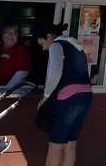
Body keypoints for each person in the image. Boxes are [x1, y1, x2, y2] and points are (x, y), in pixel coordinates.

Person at [38, 23, 92, 166]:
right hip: (86, 96)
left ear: (49, 37)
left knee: (55, 146)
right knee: (70, 144)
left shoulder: (56, 46)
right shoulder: (76, 45)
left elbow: (55, 73)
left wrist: (45, 97)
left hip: (68, 99)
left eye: (42, 42)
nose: (43, 47)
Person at [0, 24, 32, 92]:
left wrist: (6, 91)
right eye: (8, 32)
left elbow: (22, 73)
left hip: (10, 92)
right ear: (2, 35)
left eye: (15, 33)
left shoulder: (22, 50)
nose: (11, 35)